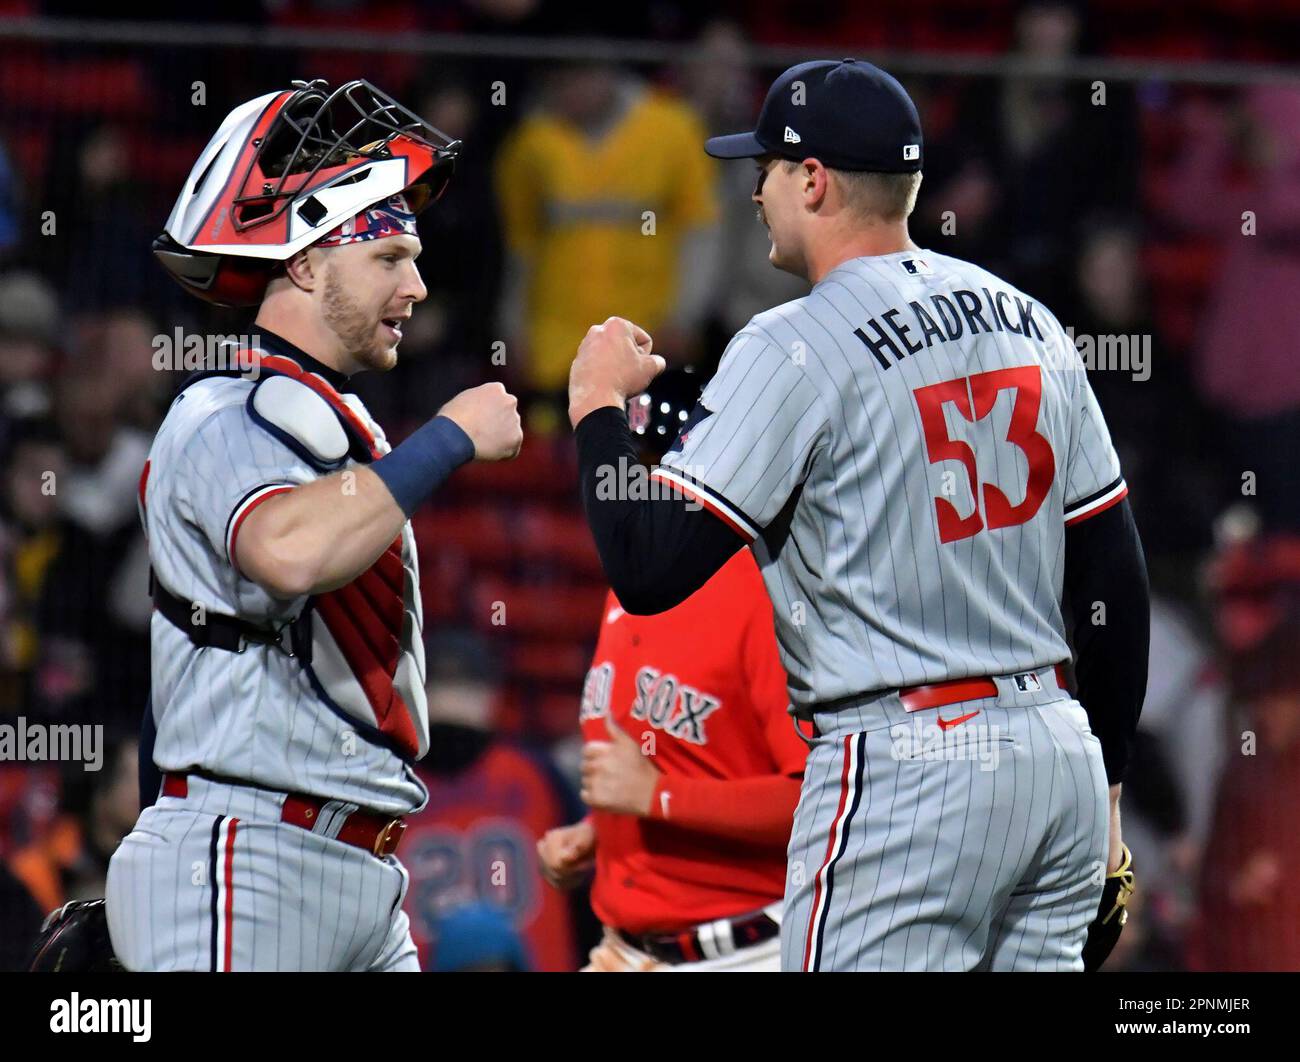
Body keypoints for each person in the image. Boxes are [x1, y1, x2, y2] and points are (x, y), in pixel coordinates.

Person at [566, 60, 1148, 971]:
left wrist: (597, 408)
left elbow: (648, 567)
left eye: (763, 166)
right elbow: (1115, 577)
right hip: (1055, 754)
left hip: (906, 762)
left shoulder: (791, 340)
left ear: (813, 179)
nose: (751, 188)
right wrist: (1106, 792)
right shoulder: (1030, 320)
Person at [104, 78, 522, 971]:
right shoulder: (222, 409)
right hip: (248, 857)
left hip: (360, 870)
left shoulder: (339, 427)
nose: (417, 283)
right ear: (304, 263)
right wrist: (450, 436)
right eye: (390, 257)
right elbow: (289, 551)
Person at [538, 369, 807, 972]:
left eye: (651, 468)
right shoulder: (626, 590)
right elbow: (678, 761)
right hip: (626, 951)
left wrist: (657, 797)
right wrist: (600, 832)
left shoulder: (762, 595)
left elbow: (821, 800)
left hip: (748, 950)